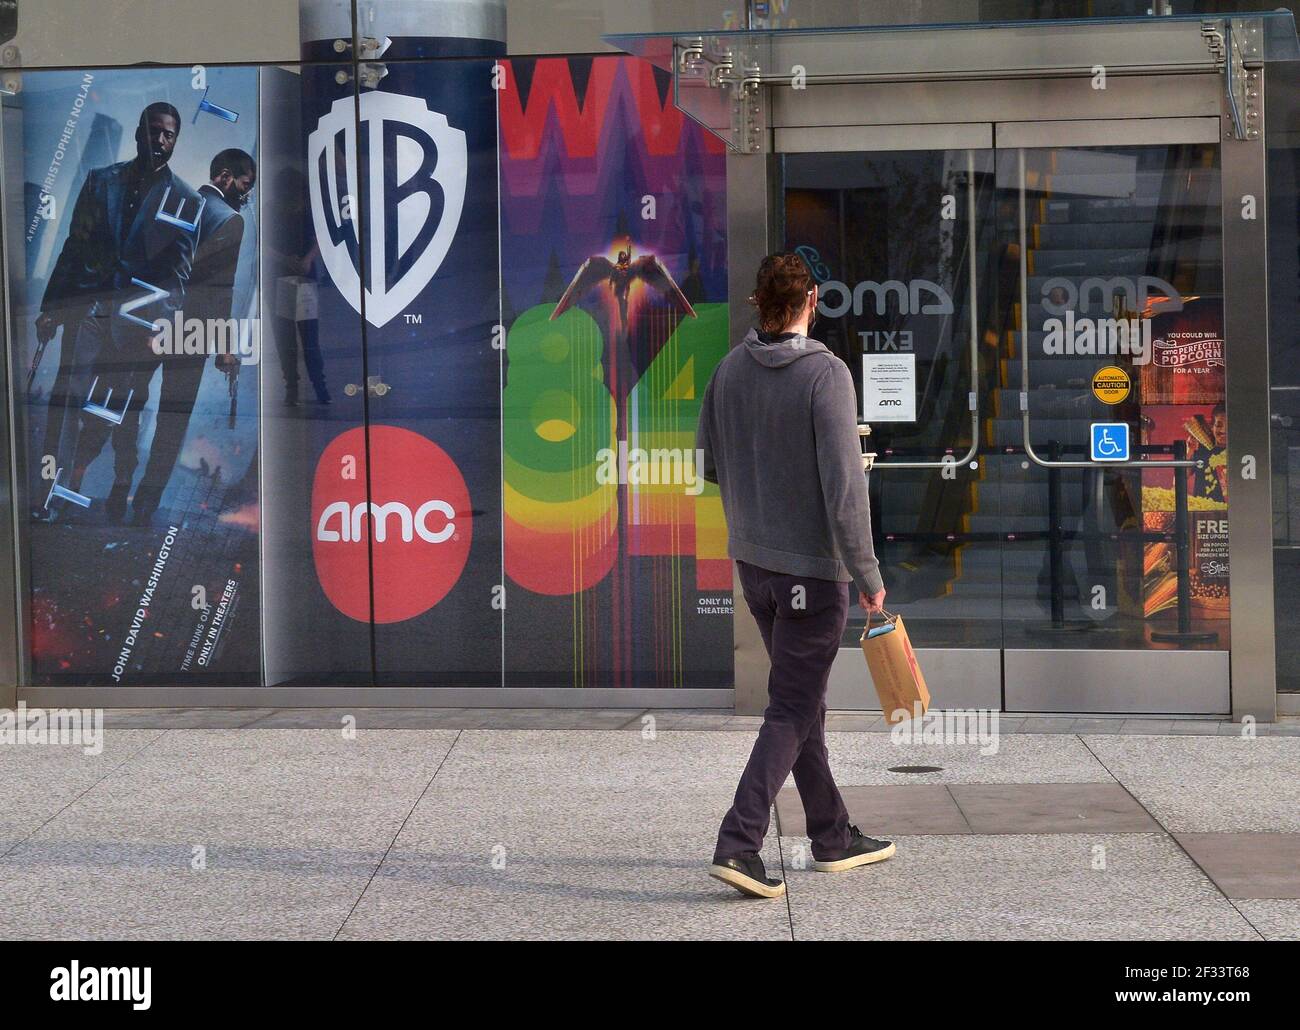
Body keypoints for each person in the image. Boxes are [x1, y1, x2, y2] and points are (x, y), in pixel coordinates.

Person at [697, 252, 893, 899]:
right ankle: (740, 841)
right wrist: (867, 573)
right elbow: (844, 489)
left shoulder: (728, 372)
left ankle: (832, 835)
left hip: (755, 566)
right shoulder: (824, 374)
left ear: (759, 302)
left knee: (802, 701)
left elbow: (709, 464)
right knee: (791, 705)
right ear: (812, 300)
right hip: (813, 568)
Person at [33, 101, 199, 522]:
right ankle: (50, 494)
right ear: (139, 131)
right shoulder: (100, 181)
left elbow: (178, 276)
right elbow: (74, 246)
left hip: (136, 325)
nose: (160, 141)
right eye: (154, 131)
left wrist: (158, 326)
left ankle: (121, 482)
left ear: (175, 140)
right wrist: (51, 307)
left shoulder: (182, 197)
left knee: (121, 415)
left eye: (169, 135)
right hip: (88, 310)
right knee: (66, 402)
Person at [129, 148, 255, 525]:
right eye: (245, 185)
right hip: (190, 332)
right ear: (225, 177)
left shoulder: (175, 200)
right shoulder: (230, 220)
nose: (245, 195)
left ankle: (120, 484)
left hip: (147, 322)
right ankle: (144, 506)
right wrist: (224, 346)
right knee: (172, 420)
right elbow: (221, 288)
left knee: (128, 403)